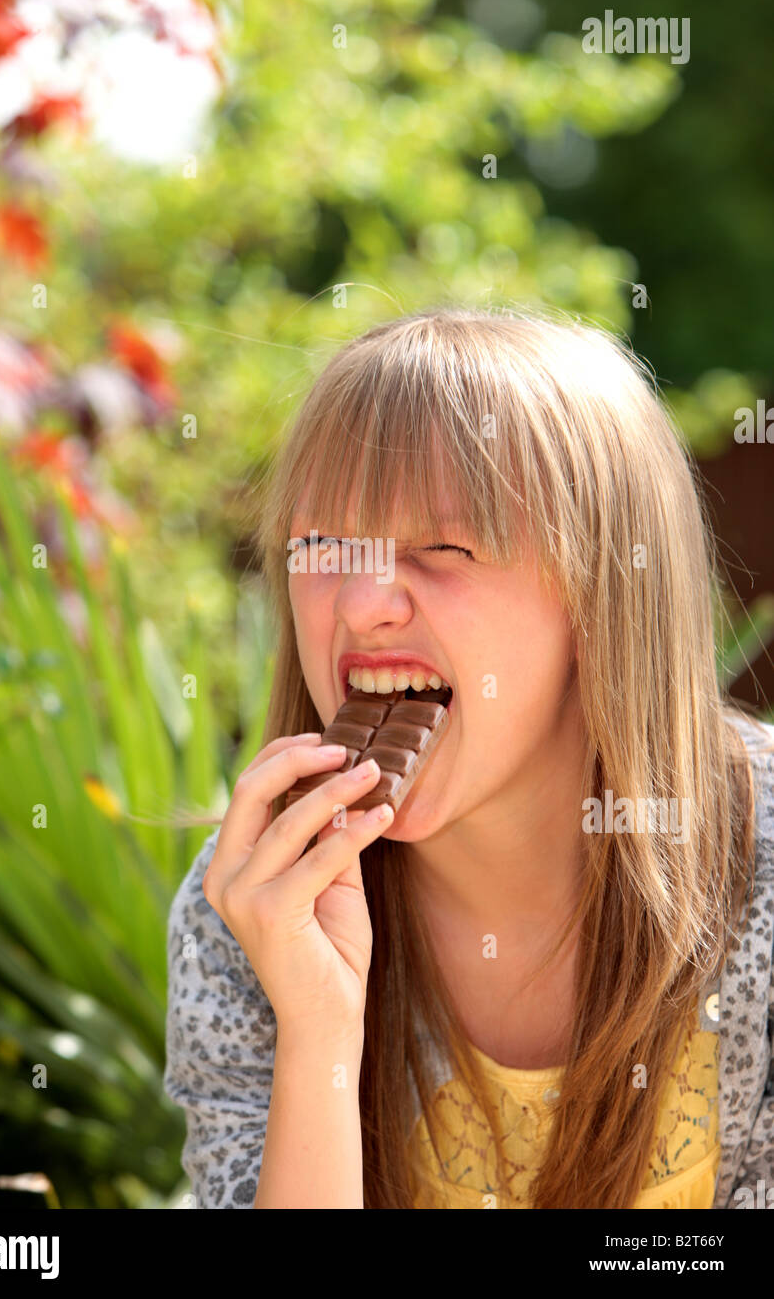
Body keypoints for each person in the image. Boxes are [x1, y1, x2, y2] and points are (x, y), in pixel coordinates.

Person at [164, 307, 774, 1209]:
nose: (364, 602)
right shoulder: (255, 908)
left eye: (446, 546)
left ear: (604, 594)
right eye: (323, 544)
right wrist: (320, 1033)